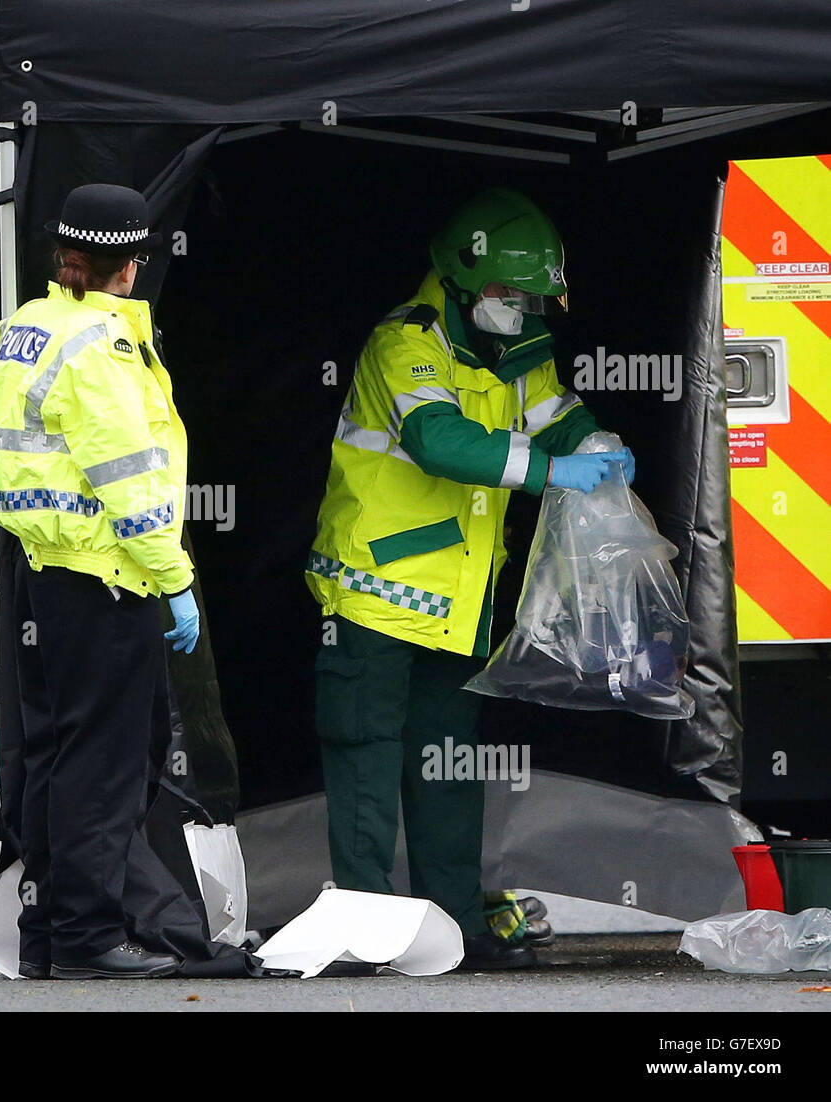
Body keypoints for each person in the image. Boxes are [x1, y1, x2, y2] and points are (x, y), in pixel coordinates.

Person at [306, 187, 634, 970]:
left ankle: (455, 934)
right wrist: (557, 471)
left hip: (459, 604)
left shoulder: (517, 346)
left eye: (528, 298)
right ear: (460, 275)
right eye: (507, 294)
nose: (518, 308)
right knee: (367, 766)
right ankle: (363, 932)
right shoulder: (404, 345)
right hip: (374, 598)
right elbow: (438, 440)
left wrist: (595, 437)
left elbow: (554, 411)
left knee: (448, 770)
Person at [0, 183, 199, 980]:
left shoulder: (19, 330)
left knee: (52, 758)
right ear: (130, 264)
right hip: (106, 579)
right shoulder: (101, 346)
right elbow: (129, 481)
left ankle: (45, 933)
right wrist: (175, 580)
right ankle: (86, 936)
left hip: (37, 573)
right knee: (103, 768)